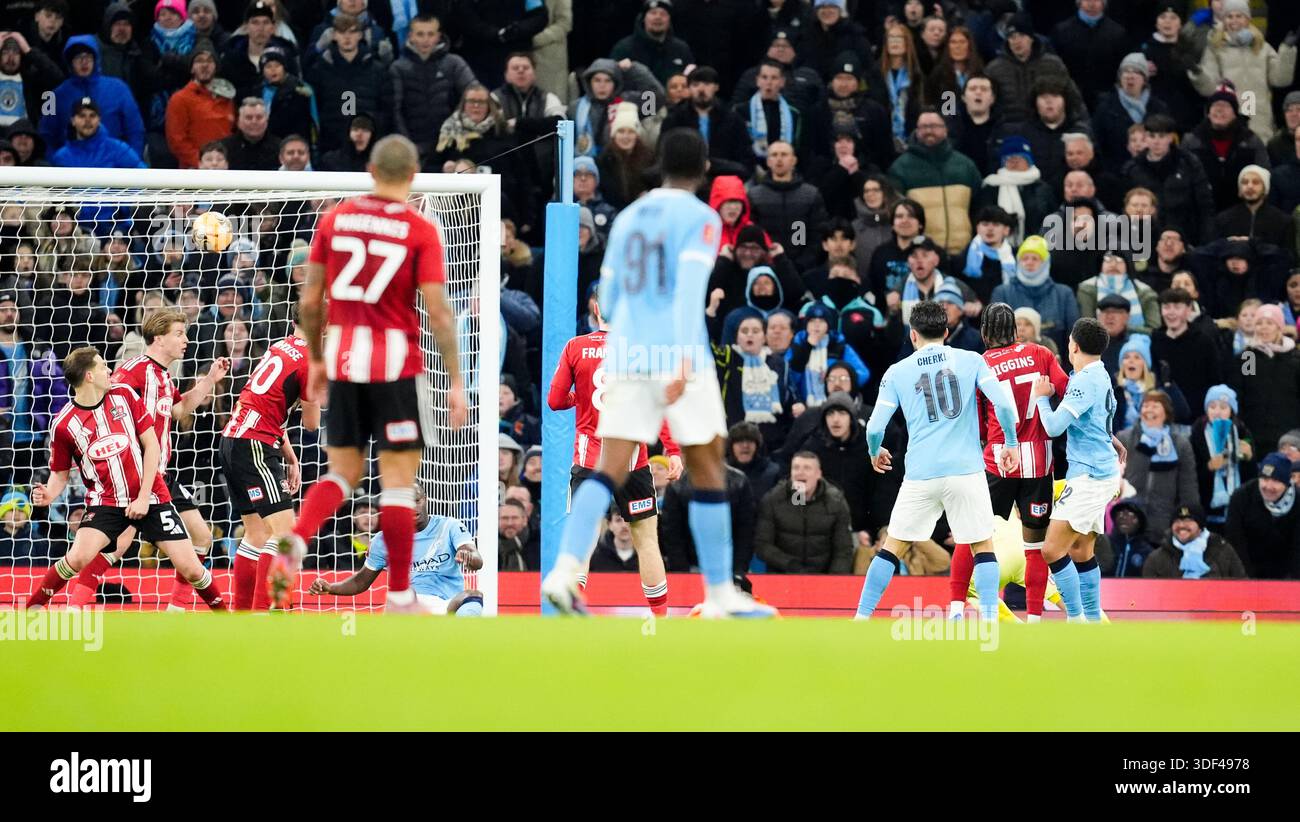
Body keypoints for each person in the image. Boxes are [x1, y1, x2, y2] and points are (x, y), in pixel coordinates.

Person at [541, 128, 775, 618]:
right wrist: (681, 362)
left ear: (660, 165)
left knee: (608, 467)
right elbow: (689, 291)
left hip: (626, 350)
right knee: (709, 464)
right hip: (675, 351)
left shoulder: (629, 216)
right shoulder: (701, 217)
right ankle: (719, 595)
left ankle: (563, 574)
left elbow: (610, 292)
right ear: (704, 168)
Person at [279, 134, 466, 615]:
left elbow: (309, 302)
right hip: (395, 365)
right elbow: (440, 314)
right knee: (399, 485)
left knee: (342, 474)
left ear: (369, 170)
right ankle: (401, 594)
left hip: (343, 360)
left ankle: (296, 540)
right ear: (413, 174)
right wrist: (457, 382)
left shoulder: (334, 219)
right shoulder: (420, 229)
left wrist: (317, 361)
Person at [855, 300, 1022, 621]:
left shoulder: (897, 372)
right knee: (981, 545)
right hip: (966, 470)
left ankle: (861, 617)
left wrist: (874, 450)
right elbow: (1003, 406)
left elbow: (875, 426)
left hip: (921, 474)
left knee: (892, 547)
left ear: (913, 335)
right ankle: (989, 619)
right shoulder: (971, 360)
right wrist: (1010, 444)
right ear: (946, 333)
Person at [26, 347, 226, 610]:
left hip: (151, 495)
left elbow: (152, 446)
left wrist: (143, 498)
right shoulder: (64, 424)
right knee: (78, 557)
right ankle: (31, 612)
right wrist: (48, 495)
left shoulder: (124, 395)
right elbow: (59, 474)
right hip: (105, 502)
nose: (109, 370)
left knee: (191, 568)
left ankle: (227, 619)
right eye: (102, 367)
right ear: (88, 376)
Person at [65, 307, 230, 609]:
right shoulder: (133, 371)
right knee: (117, 545)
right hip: (134, 478)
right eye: (179, 334)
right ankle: (73, 608)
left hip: (161, 474)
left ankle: (175, 612)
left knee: (203, 537)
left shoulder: (164, 377)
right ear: (158, 338)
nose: (186, 340)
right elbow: (105, 409)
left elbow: (180, 411)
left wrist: (209, 380)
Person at [547, 299, 682, 616]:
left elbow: (554, 400)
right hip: (632, 461)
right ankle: (659, 621)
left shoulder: (575, 347)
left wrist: (577, 398)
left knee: (586, 534)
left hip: (589, 459)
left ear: (595, 308)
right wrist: (672, 451)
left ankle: (571, 611)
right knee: (647, 541)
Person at [947, 303, 1069, 622]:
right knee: (1035, 546)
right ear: (1016, 330)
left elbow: (974, 424)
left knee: (973, 535)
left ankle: (957, 608)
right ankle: (1035, 619)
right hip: (1039, 462)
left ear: (984, 333)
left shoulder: (980, 364)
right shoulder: (1041, 353)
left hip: (999, 461)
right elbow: (1067, 390)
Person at [1029, 317, 1129, 622]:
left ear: (1073, 345)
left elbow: (1055, 427)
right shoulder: (1098, 374)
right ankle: (1093, 621)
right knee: (1081, 552)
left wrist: (1041, 399)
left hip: (1090, 476)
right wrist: (1113, 439)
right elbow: (1097, 419)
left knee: (1051, 550)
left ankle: (1075, 618)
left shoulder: (1085, 381)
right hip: (1100, 471)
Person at [219, 317, 320, 610]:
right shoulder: (311, 359)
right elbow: (312, 423)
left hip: (232, 440)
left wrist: (289, 455)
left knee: (257, 534)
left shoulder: (278, 347)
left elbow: (257, 403)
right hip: (255, 445)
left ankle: (242, 614)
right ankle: (268, 612)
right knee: (285, 534)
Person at [310, 485, 484, 615]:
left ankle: (458, 641)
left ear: (426, 499)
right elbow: (360, 582)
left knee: (473, 597)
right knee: (401, 599)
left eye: (417, 500)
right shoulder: (384, 539)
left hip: (450, 601)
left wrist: (468, 555)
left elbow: (475, 558)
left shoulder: (449, 526)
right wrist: (331, 588)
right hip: (411, 602)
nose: (414, 506)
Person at [1190, 0, 1297, 142]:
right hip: (1227, 122)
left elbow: (1280, 79)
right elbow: (1208, 89)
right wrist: (1197, 73)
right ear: (1223, 19)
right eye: (1229, 16)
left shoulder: (1262, 47)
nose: (1234, 21)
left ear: (1248, 19)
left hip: (1260, 122)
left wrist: (1287, 51)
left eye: (1239, 16)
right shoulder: (1215, 47)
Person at [888, 108, 982, 258]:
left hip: (964, 254)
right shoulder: (901, 167)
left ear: (945, 130)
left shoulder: (965, 165)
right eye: (924, 127)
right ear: (917, 131)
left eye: (934, 126)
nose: (929, 131)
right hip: (922, 256)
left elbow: (979, 207)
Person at [389, 14, 476, 163]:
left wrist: (455, 140)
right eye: (420, 34)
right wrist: (407, 145)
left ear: (438, 36)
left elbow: (474, 95)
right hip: (412, 150)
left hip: (450, 147)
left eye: (430, 34)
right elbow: (394, 110)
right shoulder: (398, 68)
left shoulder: (454, 63)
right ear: (411, 36)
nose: (425, 39)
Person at [40, 35, 145, 157]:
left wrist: (129, 164)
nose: (84, 62)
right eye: (78, 58)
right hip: (71, 167)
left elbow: (135, 129)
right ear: (70, 62)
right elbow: (45, 135)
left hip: (113, 166)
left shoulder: (119, 88)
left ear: (96, 59)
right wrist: (58, 165)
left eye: (88, 57)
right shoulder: (53, 96)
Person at [1117, 389, 1199, 544]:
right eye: (1146, 405)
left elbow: (1188, 488)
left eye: (1155, 405)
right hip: (1127, 521)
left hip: (1163, 525)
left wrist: (1189, 520)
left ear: (1166, 413)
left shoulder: (1180, 444)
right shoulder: (1125, 438)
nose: (1149, 410)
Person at [305, 12, 391, 154]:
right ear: (334, 35)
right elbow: (315, 110)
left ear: (360, 35)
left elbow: (386, 109)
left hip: (369, 146)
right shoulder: (320, 69)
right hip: (331, 145)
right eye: (342, 32)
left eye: (352, 32)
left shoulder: (377, 69)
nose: (347, 37)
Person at [754, 450, 854, 573]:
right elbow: (763, 545)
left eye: (807, 468)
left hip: (823, 577)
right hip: (783, 575)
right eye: (796, 468)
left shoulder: (836, 502)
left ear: (818, 474)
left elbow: (843, 550)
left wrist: (833, 580)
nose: (800, 473)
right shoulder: (773, 499)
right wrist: (792, 566)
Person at [1123, 113, 1216, 244]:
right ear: (1146, 138)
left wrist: (1206, 241)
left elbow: (1205, 205)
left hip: (1186, 236)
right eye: (1152, 136)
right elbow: (1126, 209)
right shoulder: (1132, 169)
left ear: (1171, 138)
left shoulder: (1189, 163)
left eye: (1162, 136)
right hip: (1147, 239)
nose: (1156, 141)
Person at [984, 12, 1087, 126]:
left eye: (1022, 36)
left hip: (1047, 129)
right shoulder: (994, 69)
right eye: (1012, 37)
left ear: (1031, 38)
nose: (1017, 41)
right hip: (1009, 130)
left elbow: (1075, 101)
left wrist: (1082, 128)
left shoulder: (1053, 64)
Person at [746, 140, 828, 271]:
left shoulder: (811, 194)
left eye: (784, 154)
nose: (779, 159)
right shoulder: (754, 196)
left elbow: (818, 235)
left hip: (803, 270)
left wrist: (803, 264)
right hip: (765, 269)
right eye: (774, 155)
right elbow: (751, 236)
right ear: (768, 162)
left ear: (793, 160)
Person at [991, 235, 1078, 353]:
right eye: (1025, 258)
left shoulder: (1064, 294)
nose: (1029, 262)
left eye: (1035, 258)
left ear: (1045, 263)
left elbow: (1074, 337)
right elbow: (994, 336)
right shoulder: (1002, 293)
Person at [1232, 302, 1300, 455]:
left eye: (1269, 323)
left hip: (1289, 435)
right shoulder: (1249, 357)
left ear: (1279, 327)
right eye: (1259, 323)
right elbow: (1241, 392)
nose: (1264, 328)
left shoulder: (1294, 358)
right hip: (1255, 434)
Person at [1224, 451, 1300, 578]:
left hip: (1286, 574)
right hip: (1248, 571)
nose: (1268, 486)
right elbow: (1235, 542)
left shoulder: (1298, 502)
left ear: (1287, 483)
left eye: (1276, 481)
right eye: (1264, 479)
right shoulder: (1242, 497)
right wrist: (1246, 580)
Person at [1091, 52, 1172, 166]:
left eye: (1136, 72)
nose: (1130, 76)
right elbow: (1098, 144)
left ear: (1144, 79)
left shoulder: (1159, 108)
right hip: (1117, 173)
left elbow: (1168, 143)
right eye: (1126, 71)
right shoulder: (1106, 108)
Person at [1152, 287, 1224, 414]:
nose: (1171, 312)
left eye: (1177, 307)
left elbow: (1215, 379)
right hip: (1163, 415)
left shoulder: (1204, 341)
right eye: (1166, 307)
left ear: (1189, 309)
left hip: (1197, 414)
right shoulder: (1156, 340)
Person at [1049, 0, 1130, 113]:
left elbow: (1121, 69)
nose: (1091, 4)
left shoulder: (1117, 33)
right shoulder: (1062, 31)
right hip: (1071, 97)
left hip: (1106, 98)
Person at [165, 45, 235, 169]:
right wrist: (202, 163)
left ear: (216, 67)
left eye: (209, 61)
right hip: (193, 172)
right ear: (192, 68)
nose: (204, 65)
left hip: (223, 171)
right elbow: (176, 140)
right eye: (199, 61)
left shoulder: (227, 98)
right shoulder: (180, 99)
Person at [977, 135, 1055, 246]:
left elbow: (1052, 220)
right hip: (998, 248)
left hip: (1037, 248)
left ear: (1029, 161)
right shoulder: (991, 187)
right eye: (1009, 158)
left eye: (1020, 157)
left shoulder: (1043, 189)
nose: (1014, 162)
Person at [1145, 502, 1247, 579]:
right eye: (1177, 521)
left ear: (1200, 527)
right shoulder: (1156, 558)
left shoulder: (1222, 550)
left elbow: (1242, 585)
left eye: (1188, 520)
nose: (1181, 525)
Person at [610, 0, 694, 85]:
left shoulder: (681, 49)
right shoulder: (624, 48)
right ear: (644, 18)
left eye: (663, 14)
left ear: (669, 20)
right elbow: (611, 83)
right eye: (653, 13)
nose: (658, 17)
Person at [49, 96, 145, 169]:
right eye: (82, 116)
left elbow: (144, 178)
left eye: (92, 116)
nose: (87, 120)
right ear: (73, 120)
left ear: (99, 119)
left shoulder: (118, 149)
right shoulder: (61, 157)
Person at [1077, 252, 1161, 334]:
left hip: (1137, 339)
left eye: (1119, 260)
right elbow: (1086, 327)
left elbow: (1154, 329)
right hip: (1098, 339)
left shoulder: (1144, 291)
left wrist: (1123, 328)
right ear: (1101, 264)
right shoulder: (1087, 288)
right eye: (1108, 259)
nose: (1113, 264)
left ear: (1128, 265)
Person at [1215, 165, 1295, 251]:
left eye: (1256, 182)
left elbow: (1287, 258)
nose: (1250, 186)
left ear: (1265, 189)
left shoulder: (1282, 221)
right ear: (1239, 190)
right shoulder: (1224, 220)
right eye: (1245, 182)